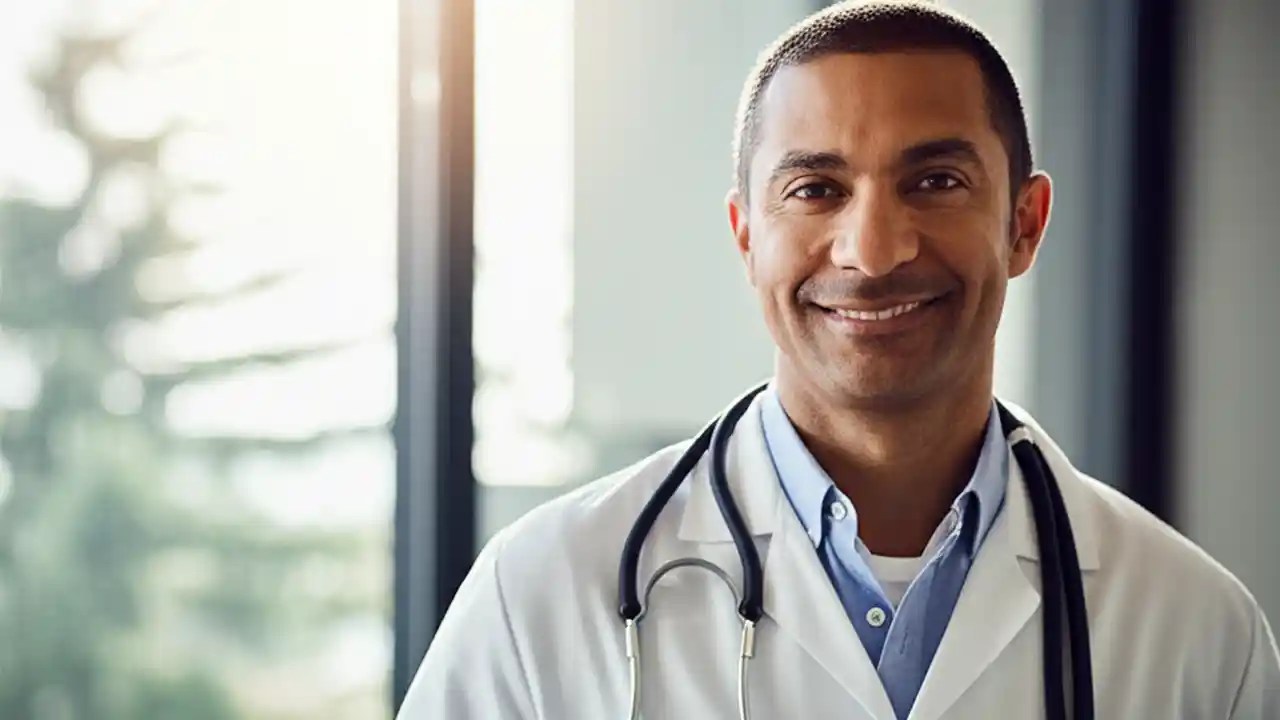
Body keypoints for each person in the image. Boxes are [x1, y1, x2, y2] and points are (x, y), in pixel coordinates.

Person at [398, 2, 1280, 718]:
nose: (874, 248)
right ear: (746, 237)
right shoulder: (543, 595)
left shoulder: (1198, 632)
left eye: (934, 181)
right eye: (815, 189)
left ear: (1025, 224)